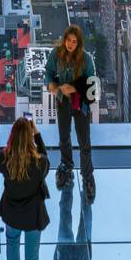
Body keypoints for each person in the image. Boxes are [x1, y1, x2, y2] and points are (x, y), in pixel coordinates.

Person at [0, 117, 51, 260]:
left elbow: (0, 155)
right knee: (32, 255)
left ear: (12, 138)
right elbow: (46, 157)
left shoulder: (3, 159)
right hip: (32, 217)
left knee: (12, 246)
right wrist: (36, 134)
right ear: (29, 139)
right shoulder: (39, 164)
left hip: (12, 214)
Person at [45, 24, 97, 200]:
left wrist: (73, 88)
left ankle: (87, 176)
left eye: (74, 42)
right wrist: (53, 86)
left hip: (80, 104)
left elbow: (92, 82)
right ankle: (66, 167)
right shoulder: (56, 54)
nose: (70, 44)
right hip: (63, 101)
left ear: (78, 43)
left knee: (84, 141)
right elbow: (48, 73)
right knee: (64, 137)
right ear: (64, 40)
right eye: (68, 40)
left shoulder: (86, 58)